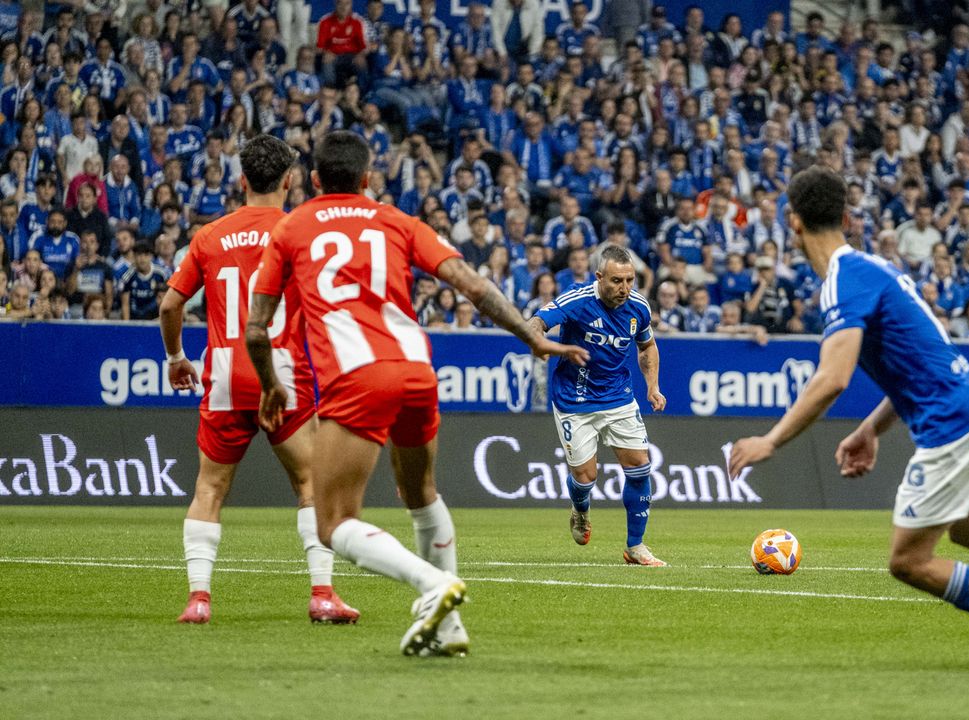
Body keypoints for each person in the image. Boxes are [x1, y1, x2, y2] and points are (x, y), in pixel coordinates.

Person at [729, 167, 969, 675]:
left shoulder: (842, 282)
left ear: (792, 223)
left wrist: (770, 441)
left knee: (909, 561)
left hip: (951, 424)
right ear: (848, 217)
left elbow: (832, 378)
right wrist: (869, 429)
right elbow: (922, 358)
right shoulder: (876, 269)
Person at [245, 131, 587, 657]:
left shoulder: (292, 228)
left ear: (313, 181)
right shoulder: (396, 221)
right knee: (421, 493)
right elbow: (473, 285)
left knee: (333, 522)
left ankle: (433, 584)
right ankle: (447, 630)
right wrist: (532, 337)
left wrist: (270, 384)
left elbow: (255, 328)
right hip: (417, 371)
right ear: (367, 179)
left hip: (359, 377)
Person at [160, 136, 359, 626]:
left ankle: (199, 600)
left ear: (241, 180)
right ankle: (322, 595)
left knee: (209, 487)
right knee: (313, 483)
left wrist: (176, 357)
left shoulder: (209, 236)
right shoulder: (302, 233)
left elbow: (170, 305)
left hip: (226, 373)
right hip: (283, 373)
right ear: (289, 180)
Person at [528, 245, 668, 566]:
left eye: (630, 280)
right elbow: (537, 322)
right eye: (617, 281)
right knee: (586, 477)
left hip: (618, 396)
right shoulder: (576, 300)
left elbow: (647, 347)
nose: (625, 288)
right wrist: (542, 343)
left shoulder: (638, 306)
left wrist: (653, 387)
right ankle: (580, 506)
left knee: (639, 466)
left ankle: (636, 546)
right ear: (599, 277)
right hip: (574, 399)